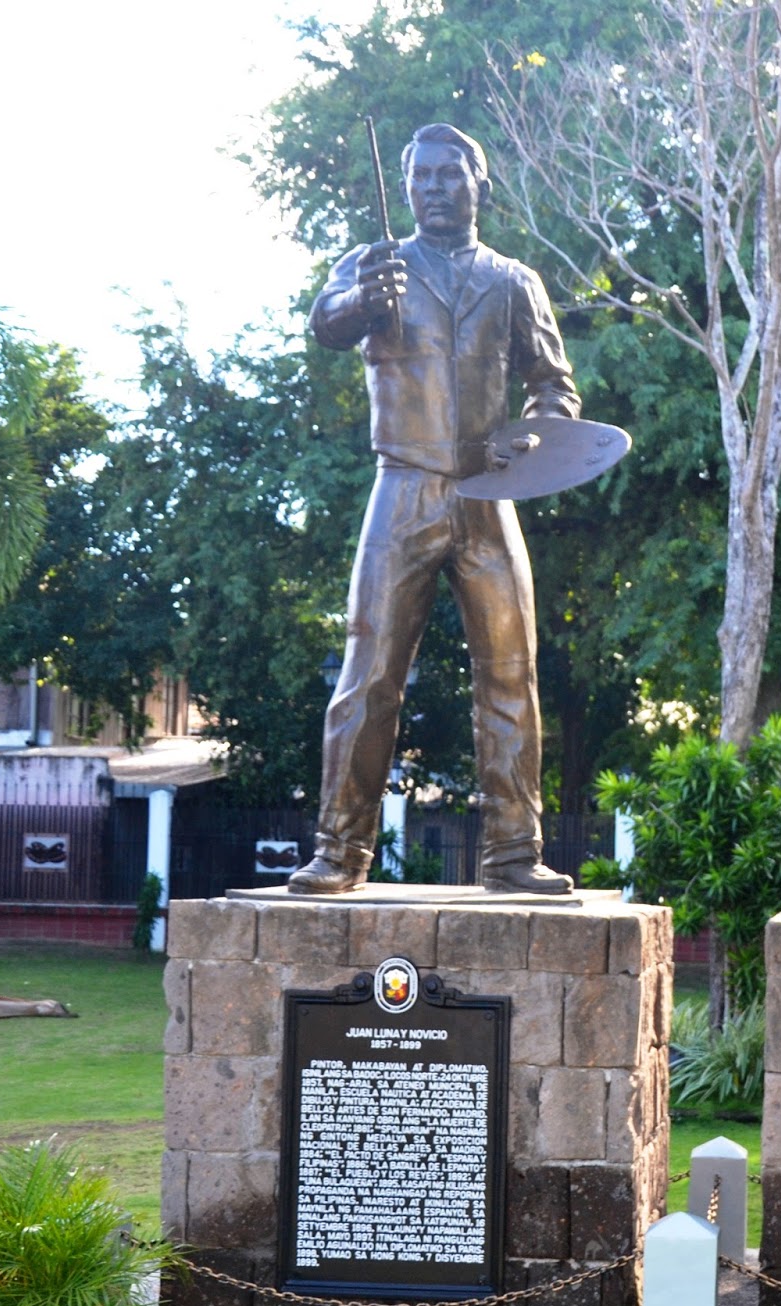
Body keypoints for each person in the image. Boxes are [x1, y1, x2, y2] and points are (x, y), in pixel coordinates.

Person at [289, 123, 578, 895]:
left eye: (451, 175)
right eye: (422, 176)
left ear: (478, 185)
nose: (435, 188)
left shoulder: (515, 280)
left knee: (511, 676)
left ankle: (515, 855)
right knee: (371, 673)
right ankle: (339, 850)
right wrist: (360, 301)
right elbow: (323, 323)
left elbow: (555, 385)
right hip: (404, 490)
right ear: (407, 185)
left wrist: (535, 438)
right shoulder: (374, 264)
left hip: (489, 496)